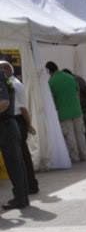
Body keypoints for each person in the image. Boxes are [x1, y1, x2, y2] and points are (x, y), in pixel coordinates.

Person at [0, 61, 38, 195]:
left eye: (2, 69)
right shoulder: (12, 83)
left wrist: (28, 124)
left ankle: (30, 185)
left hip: (16, 120)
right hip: (15, 120)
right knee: (20, 157)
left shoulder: (14, 85)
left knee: (20, 157)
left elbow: (23, 108)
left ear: (7, 70)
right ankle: (29, 185)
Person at [45, 61, 86, 162]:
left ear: (48, 71)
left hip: (63, 113)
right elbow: (77, 92)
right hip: (77, 110)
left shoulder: (51, 82)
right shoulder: (70, 77)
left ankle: (75, 157)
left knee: (70, 136)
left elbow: (52, 100)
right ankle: (84, 155)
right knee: (80, 134)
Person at [0, 66, 29, 210]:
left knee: (14, 164)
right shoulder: (5, 78)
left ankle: (20, 198)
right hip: (8, 125)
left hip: (5, 125)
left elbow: (4, 103)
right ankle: (22, 197)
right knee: (16, 163)